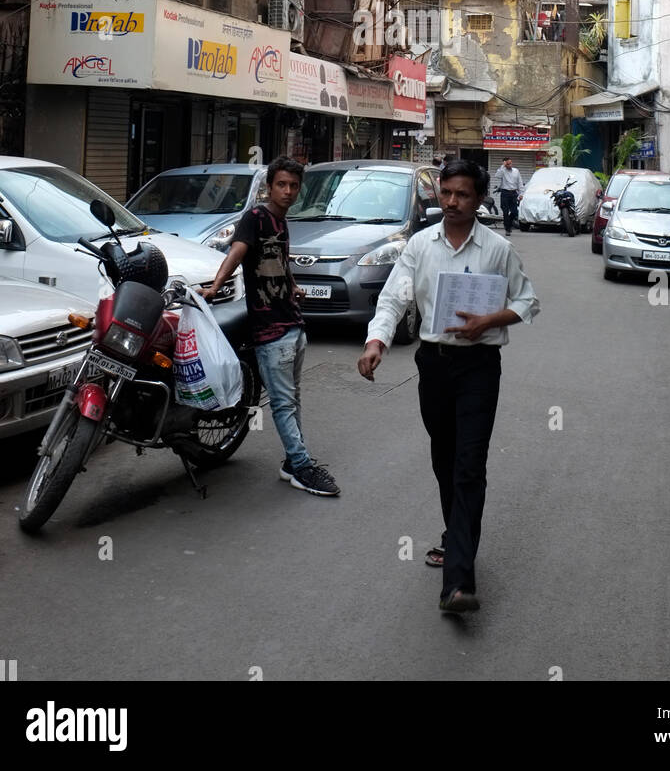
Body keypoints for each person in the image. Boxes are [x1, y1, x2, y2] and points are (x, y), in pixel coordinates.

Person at [357, 159, 539, 613]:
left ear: (479, 200)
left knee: (469, 466)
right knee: (444, 460)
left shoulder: (498, 249)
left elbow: (527, 301)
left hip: (479, 367)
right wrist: (377, 341)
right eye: (446, 193)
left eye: (462, 194)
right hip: (434, 366)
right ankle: (455, 536)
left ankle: (458, 582)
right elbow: (394, 297)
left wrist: (489, 320)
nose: (453, 202)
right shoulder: (420, 245)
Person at [201, 155, 339, 497]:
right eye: (281, 185)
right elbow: (237, 253)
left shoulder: (281, 221)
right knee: (282, 402)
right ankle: (302, 466)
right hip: (269, 330)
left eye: (293, 186)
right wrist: (215, 286)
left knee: (292, 399)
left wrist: (293, 285)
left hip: (293, 323)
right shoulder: (255, 217)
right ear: (269, 187)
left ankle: (294, 461)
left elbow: (280, 260)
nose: (288, 191)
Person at [492, 157, 525, 236]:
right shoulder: (502, 171)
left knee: (514, 212)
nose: (510, 165)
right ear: (505, 164)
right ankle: (507, 229)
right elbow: (497, 176)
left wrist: (521, 194)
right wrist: (502, 166)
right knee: (505, 212)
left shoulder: (516, 171)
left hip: (513, 193)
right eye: (507, 164)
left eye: (510, 163)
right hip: (505, 193)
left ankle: (508, 224)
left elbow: (520, 182)